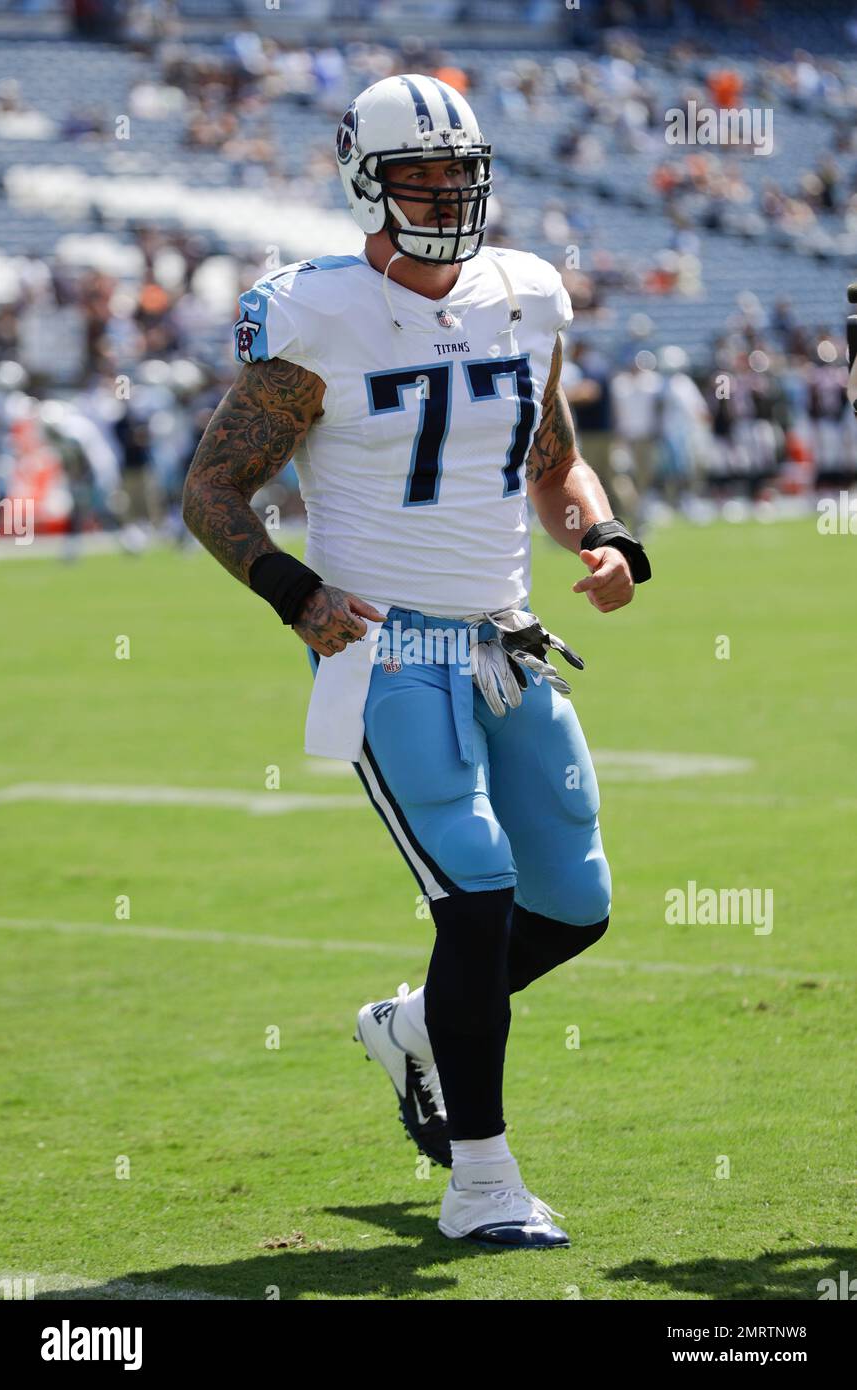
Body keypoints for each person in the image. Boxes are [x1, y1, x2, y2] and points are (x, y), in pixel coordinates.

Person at [182, 73, 651, 1249]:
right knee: (477, 897)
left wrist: (596, 534)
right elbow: (212, 487)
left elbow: (552, 464)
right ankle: (481, 1180)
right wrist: (292, 592)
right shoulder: (314, 314)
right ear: (364, 180)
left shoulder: (527, 293)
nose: (444, 198)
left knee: (575, 905)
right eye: (418, 179)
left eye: (458, 177)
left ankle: (411, 1027)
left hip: (505, 641)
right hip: (385, 648)